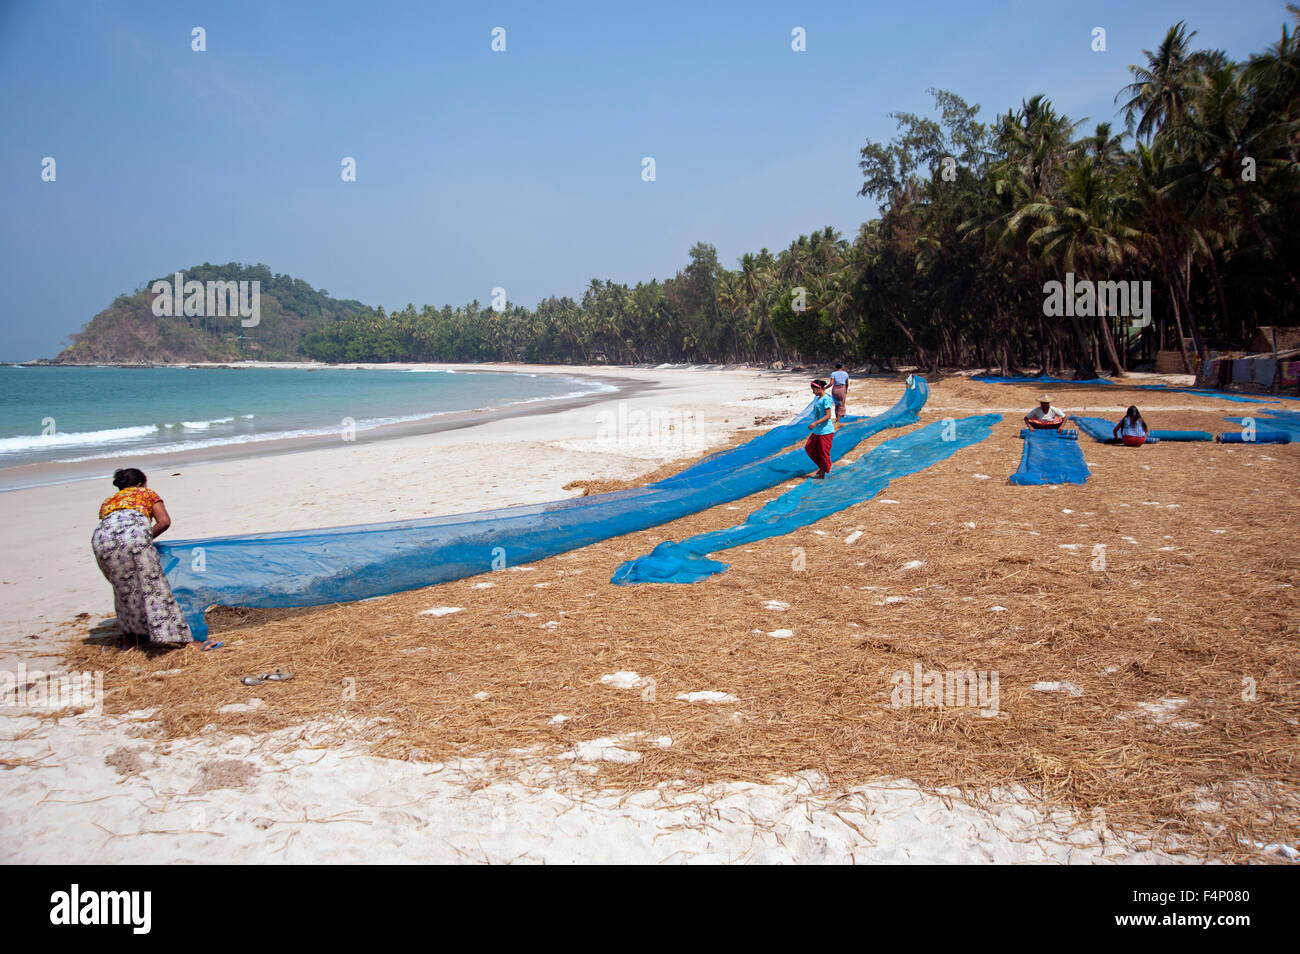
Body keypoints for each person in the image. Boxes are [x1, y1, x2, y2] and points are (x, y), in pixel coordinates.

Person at [91, 468, 194, 648]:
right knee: (155, 588)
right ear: (140, 484)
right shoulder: (146, 493)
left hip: (101, 541)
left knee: (123, 589)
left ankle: (130, 640)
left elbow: (112, 528)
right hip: (135, 537)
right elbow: (164, 522)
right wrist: (146, 539)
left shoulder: (108, 501)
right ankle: (182, 641)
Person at [805, 380, 837, 478]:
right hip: (818, 431)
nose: (813, 392)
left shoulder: (826, 399)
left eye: (814, 389)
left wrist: (815, 423)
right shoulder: (819, 398)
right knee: (809, 448)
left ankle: (823, 471)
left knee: (823, 452)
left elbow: (828, 415)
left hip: (825, 431)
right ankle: (822, 466)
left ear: (819, 388)